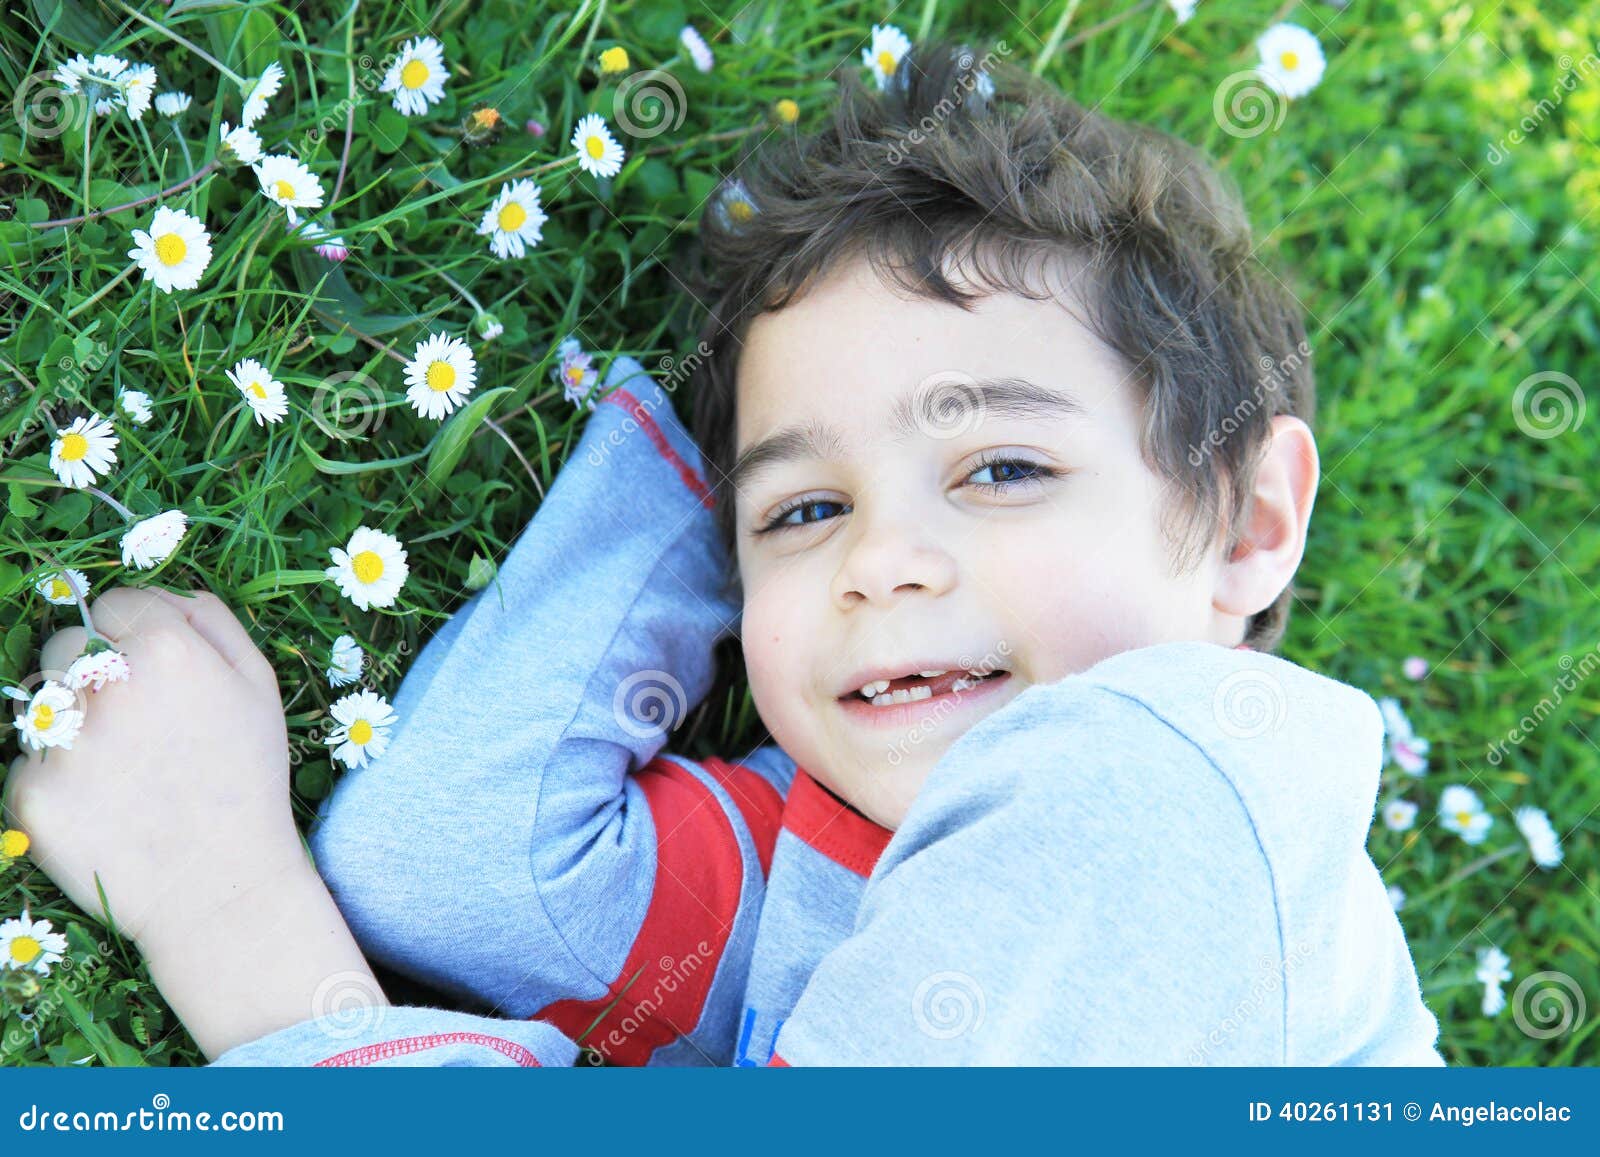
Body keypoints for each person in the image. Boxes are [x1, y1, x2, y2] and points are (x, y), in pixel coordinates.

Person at [4, 38, 1445, 1067]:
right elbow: (453, 864)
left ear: (1250, 521)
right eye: (806, 515)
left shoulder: (1149, 793)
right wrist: (702, 465)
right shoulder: (825, 858)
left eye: (1002, 467)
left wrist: (224, 913)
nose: (883, 562)